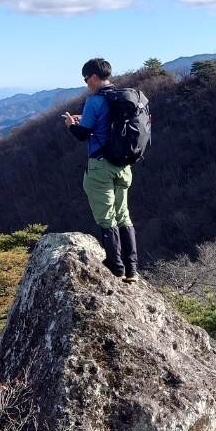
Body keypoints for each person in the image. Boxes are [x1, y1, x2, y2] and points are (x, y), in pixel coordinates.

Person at [63, 57, 140, 281]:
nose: (86, 83)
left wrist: (71, 125)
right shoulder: (125, 98)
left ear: (94, 77)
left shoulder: (95, 101)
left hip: (101, 166)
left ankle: (115, 266)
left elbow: (83, 134)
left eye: (86, 78)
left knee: (107, 218)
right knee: (123, 215)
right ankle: (131, 268)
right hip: (124, 165)